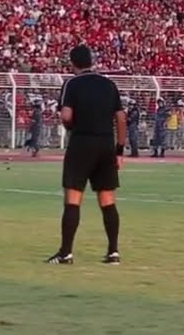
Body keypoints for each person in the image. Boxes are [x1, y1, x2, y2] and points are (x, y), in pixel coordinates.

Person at [46, 45, 126, 266]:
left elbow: (66, 114)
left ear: (73, 63)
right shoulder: (109, 84)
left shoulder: (72, 83)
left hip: (81, 143)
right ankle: (113, 252)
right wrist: (119, 150)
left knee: (73, 198)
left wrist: (69, 125)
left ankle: (66, 253)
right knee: (107, 199)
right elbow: (120, 118)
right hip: (106, 145)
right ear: (91, 61)